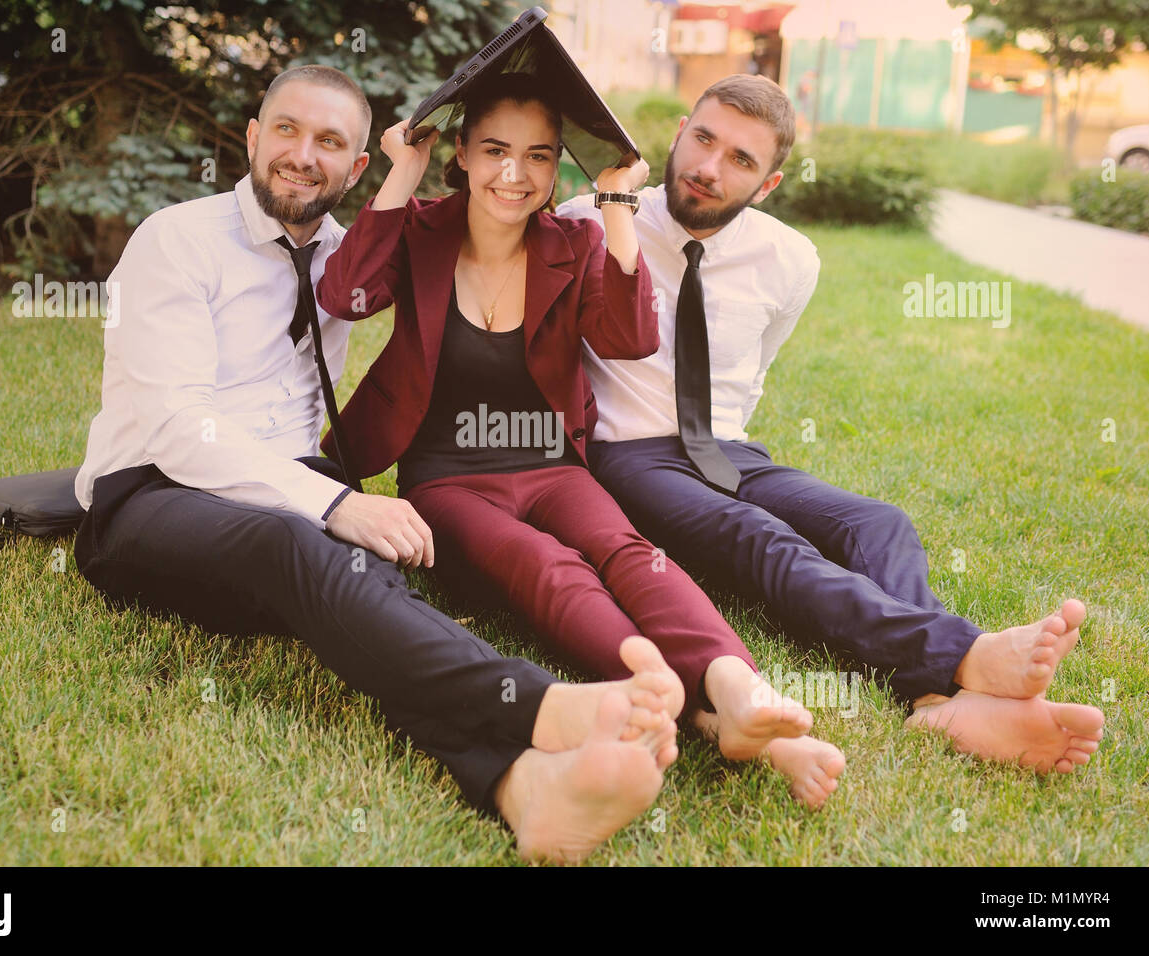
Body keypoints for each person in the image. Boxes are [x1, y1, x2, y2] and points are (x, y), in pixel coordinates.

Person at [71, 64, 686, 864]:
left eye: (330, 142)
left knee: (368, 598)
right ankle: (545, 708)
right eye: (286, 130)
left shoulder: (345, 250)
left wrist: (328, 503)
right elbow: (178, 428)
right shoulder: (177, 240)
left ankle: (521, 786)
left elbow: (356, 285)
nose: (304, 156)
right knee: (299, 545)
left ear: (358, 165)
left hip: (289, 494)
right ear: (252, 138)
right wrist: (334, 504)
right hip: (153, 496)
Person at [316, 72, 845, 810]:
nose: (515, 173)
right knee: (545, 564)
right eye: (494, 150)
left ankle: (733, 685)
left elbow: (629, 337)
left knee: (629, 552)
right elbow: (345, 295)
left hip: (551, 463)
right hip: (447, 478)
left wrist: (617, 204)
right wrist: (402, 172)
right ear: (461, 153)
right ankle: (663, 689)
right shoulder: (422, 231)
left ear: (556, 165)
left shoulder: (572, 240)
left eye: (538, 155)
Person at [554, 73, 1105, 774]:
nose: (709, 167)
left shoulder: (789, 259)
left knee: (880, 524)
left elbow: (752, 373)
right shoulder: (593, 219)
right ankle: (964, 654)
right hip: (632, 455)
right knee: (759, 535)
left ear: (769, 184)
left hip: (727, 449)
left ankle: (937, 699)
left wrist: (731, 458)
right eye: (704, 139)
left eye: (740, 159)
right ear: (681, 131)